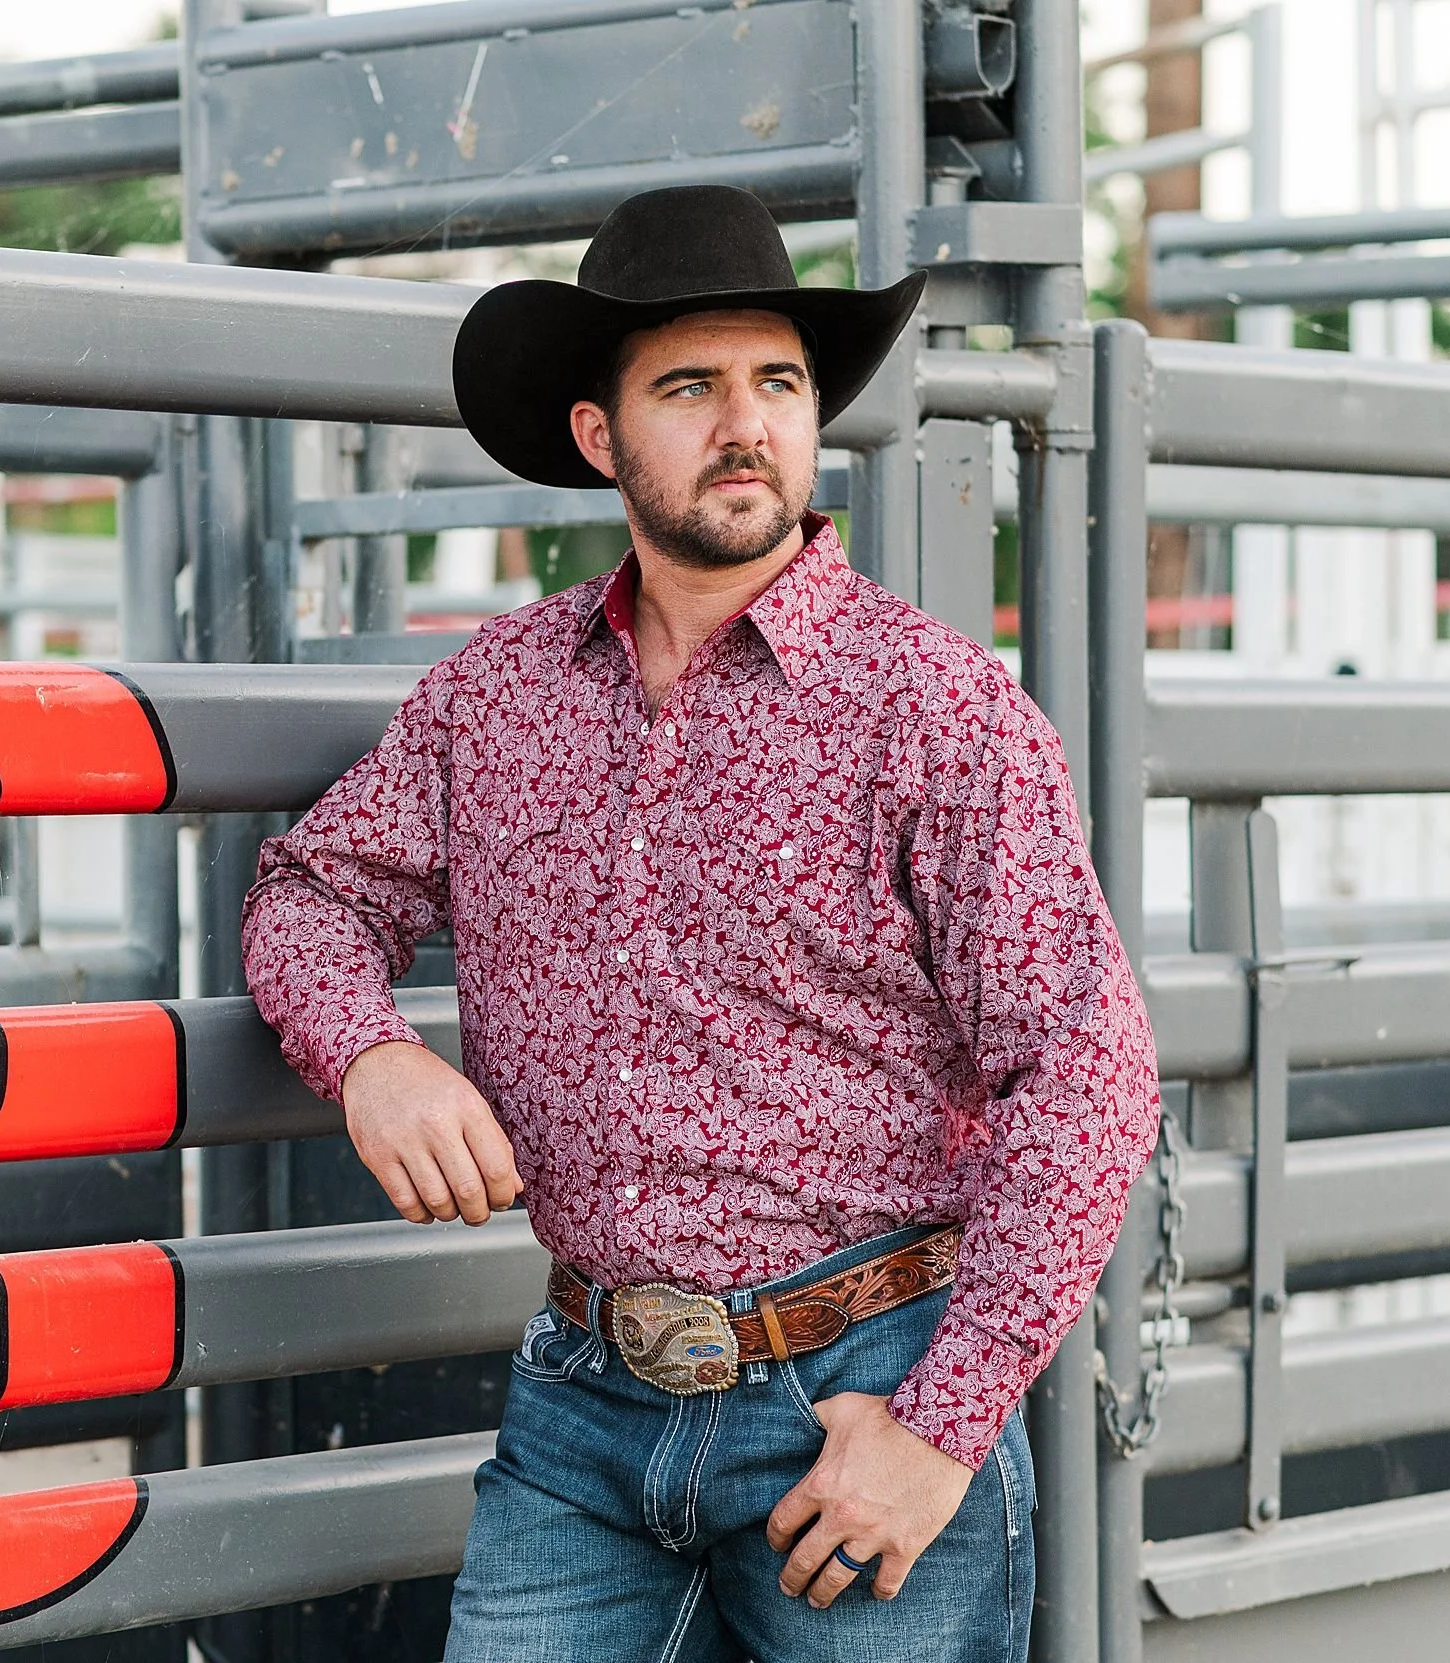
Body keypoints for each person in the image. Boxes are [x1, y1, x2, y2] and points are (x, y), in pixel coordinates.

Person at [240, 185, 1159, 1661]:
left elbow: (1086, 1071)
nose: (747, 426)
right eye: (689, 388)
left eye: (778, 383)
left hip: (856, 1400)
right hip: (582, 1404)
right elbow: (314, 890)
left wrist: (941, 1427)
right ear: (599, 436)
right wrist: (373, 1055)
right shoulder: (500, 692)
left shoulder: (936, 708)